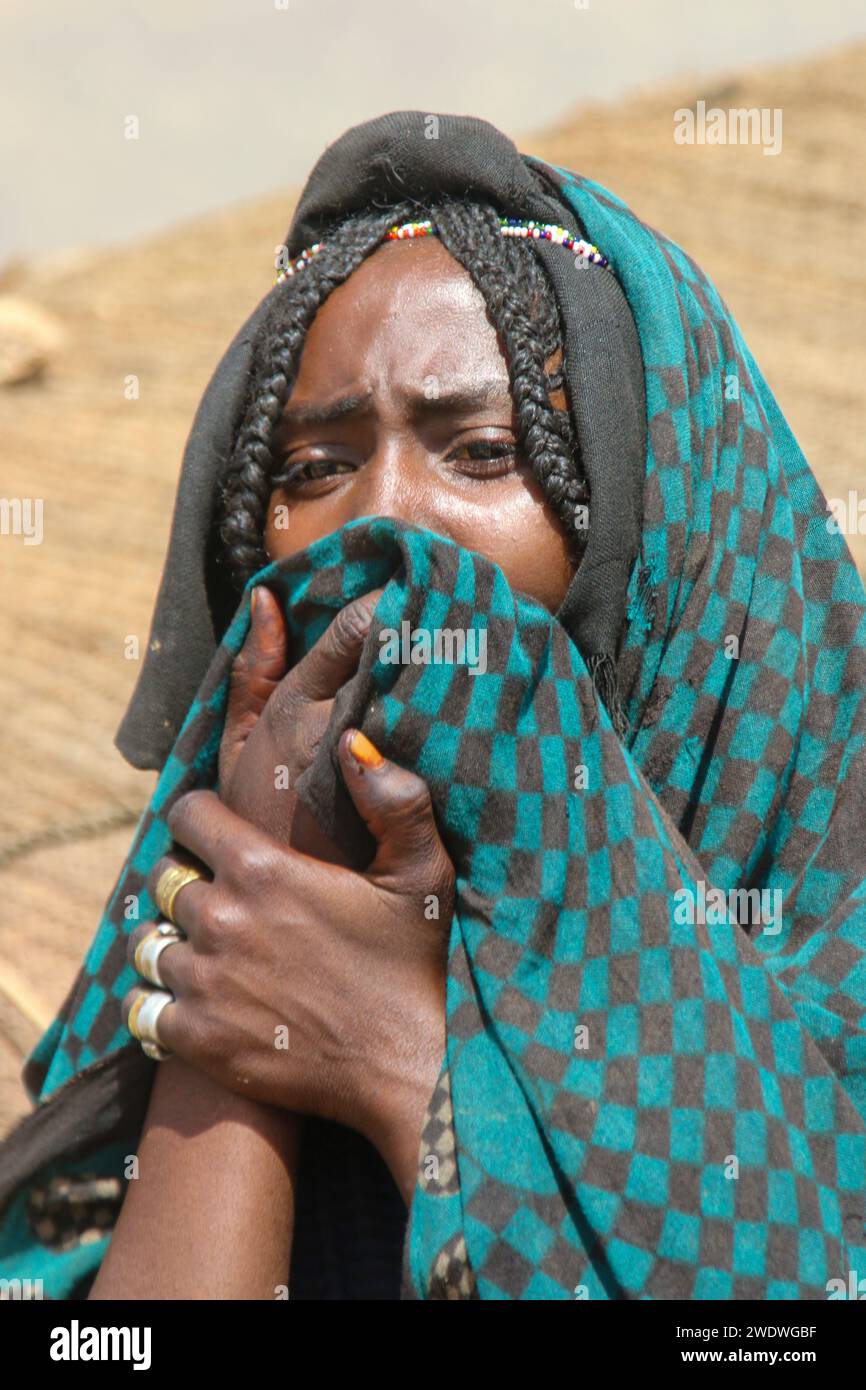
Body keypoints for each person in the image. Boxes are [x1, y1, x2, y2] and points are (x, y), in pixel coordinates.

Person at [1, 111, 865, 1302]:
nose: (381, 524)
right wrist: (248, 980)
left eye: (481, 451)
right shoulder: (192, 965)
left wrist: (397, 1057)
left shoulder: (827, 966)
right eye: (310, 470)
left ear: (658, 548)